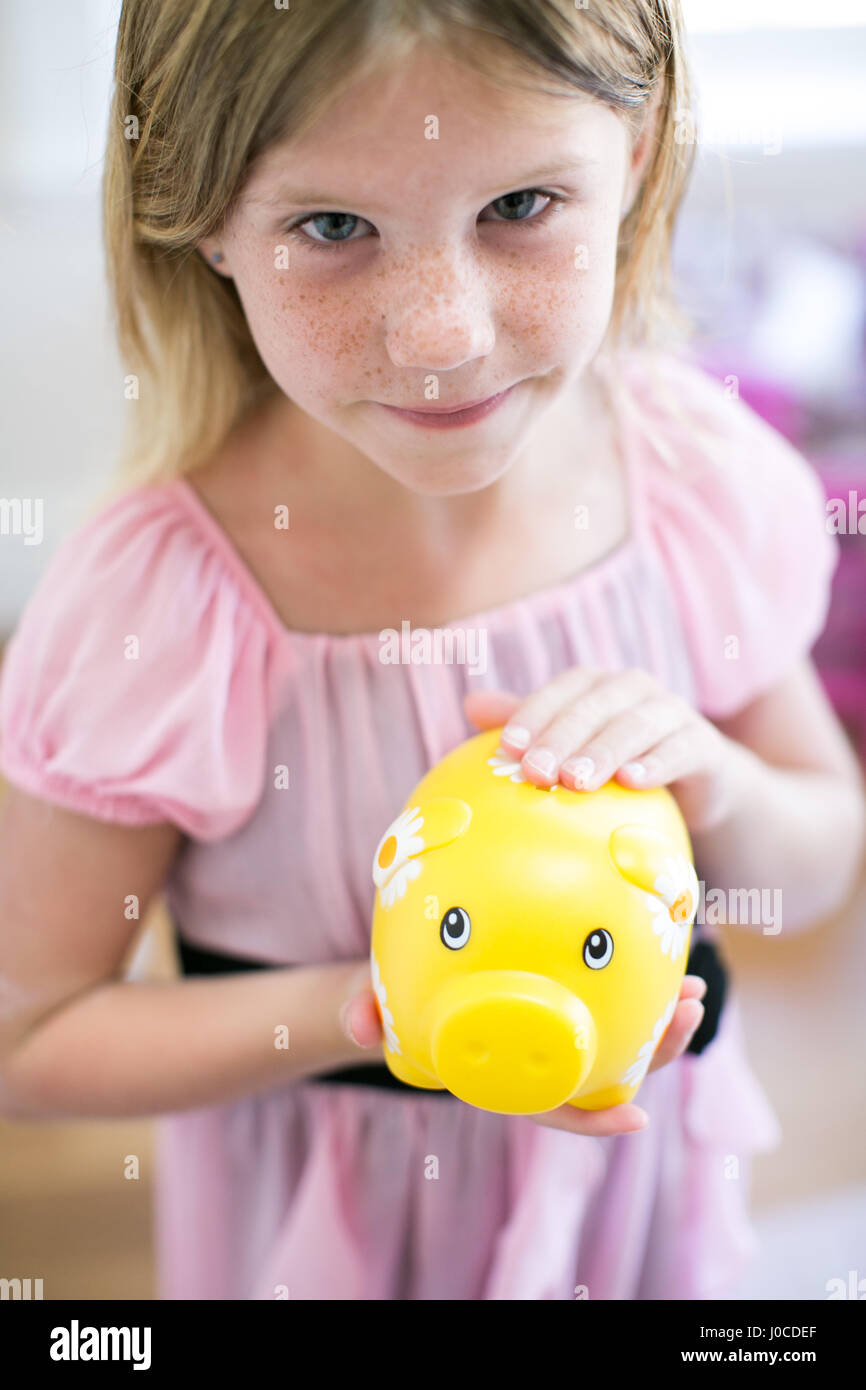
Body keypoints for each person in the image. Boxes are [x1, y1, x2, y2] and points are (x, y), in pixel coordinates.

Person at [0, 0, 863, 1301]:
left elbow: (812, 870)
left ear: (630, 154)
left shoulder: (687, 483)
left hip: (635, 1216)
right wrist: (387, 1012)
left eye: (519, 204)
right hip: (333, 1243)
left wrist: (717, 788)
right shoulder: (167, 609)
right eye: (333, 227)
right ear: (206, 224)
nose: (444, 331)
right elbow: (29, 1036)